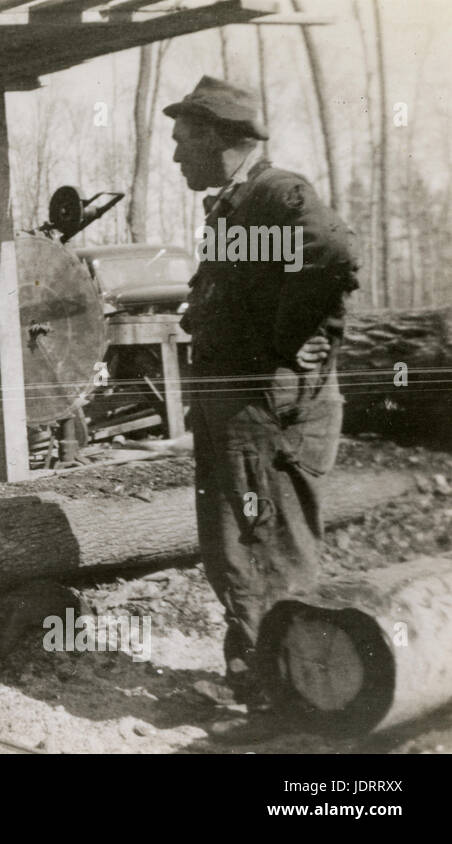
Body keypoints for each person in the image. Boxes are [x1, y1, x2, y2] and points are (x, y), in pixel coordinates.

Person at [164, 76, 359, 740]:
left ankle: (288, 707)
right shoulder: (234, 205)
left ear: (217, 138)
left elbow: (333, 255)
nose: (173, 156)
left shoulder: (278, 194)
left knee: (267, 551)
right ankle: (260, 683)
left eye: (182, 140)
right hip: (235, 413)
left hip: (264, 416)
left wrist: (285, 348)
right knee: (236, 551)